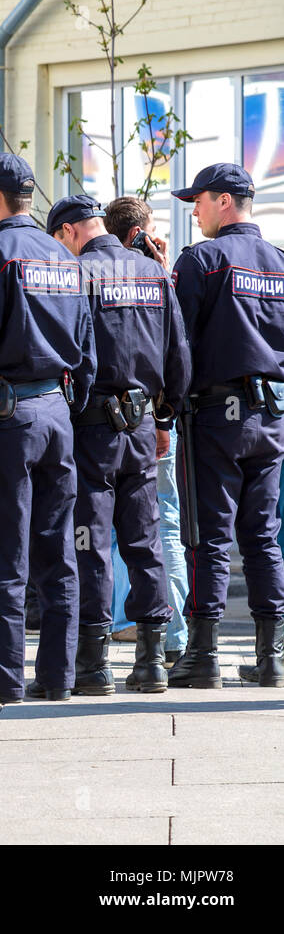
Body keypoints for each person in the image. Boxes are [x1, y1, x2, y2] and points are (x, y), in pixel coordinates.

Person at [0, 152, 94, 704]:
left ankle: (2, 679)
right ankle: (57, 677)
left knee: (4, 555)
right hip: (57, 413)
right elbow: (87, 349)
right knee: (58, 554)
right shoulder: (65, 255)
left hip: (10, 418)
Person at [48, 194, 190, 696]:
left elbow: (72, 355)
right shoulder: (153, 273)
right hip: (142, 426)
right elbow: (179, 353)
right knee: (144, 539)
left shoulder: (77, 276)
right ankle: (152, 663)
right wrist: (164, 416)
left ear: (68, 233)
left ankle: (93, 664)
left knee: (90, 542)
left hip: (92, 428)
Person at [169, 163, 284, 688]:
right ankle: (270, 655)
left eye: (198, 200)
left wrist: (167, 408)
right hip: (272, 416)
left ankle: (204, 654)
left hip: (217, 415)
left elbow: (179, 343)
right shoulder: (280, 262)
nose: (192, 210)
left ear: (223, 201)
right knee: (262, 536)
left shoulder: (204, 260)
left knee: (208, 535)